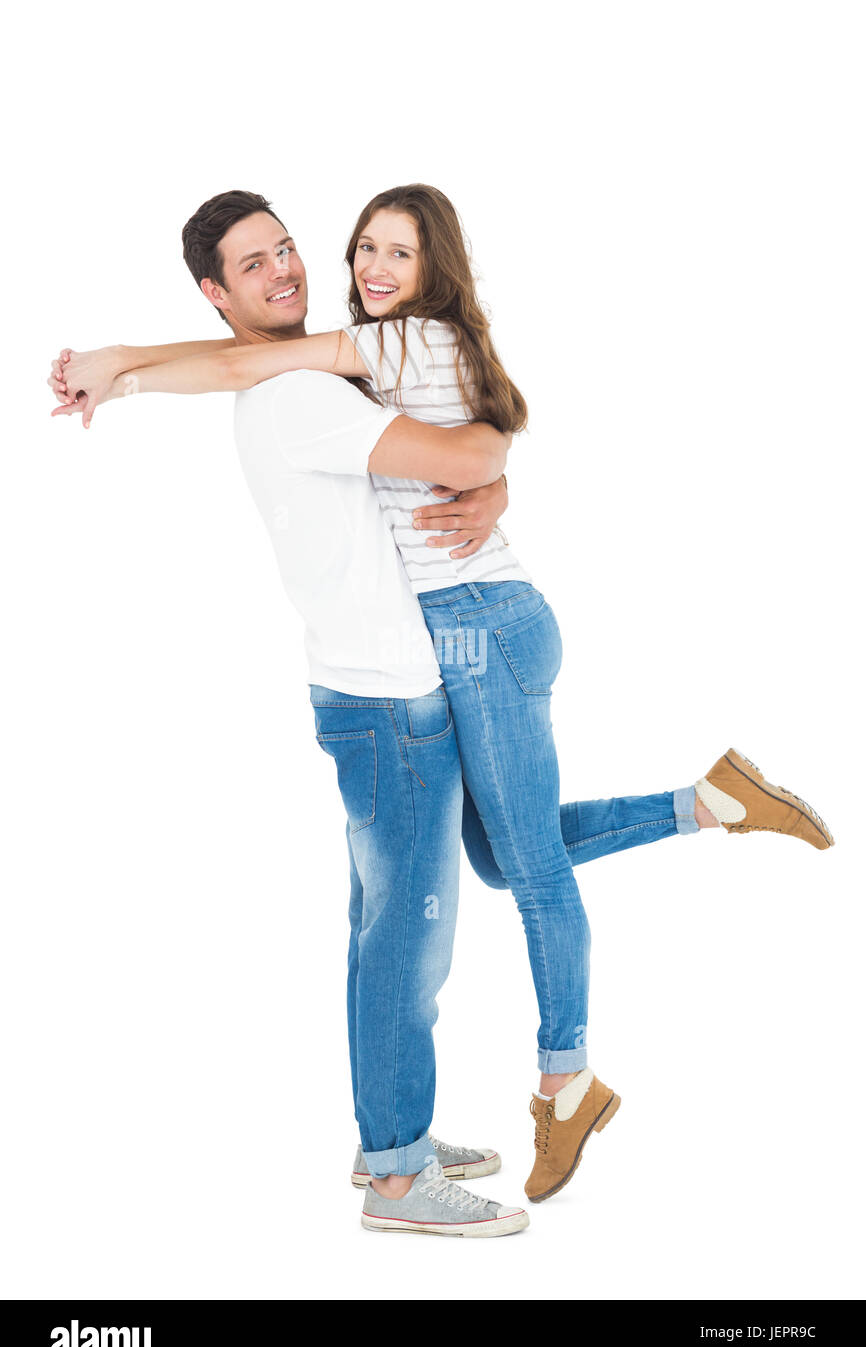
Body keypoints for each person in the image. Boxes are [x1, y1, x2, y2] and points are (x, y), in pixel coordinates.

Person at [49, 187, 834, 1224]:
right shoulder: (310, 380)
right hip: (423, 657)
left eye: (297, 248)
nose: (307, 267)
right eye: (268, 261)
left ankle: (559, 1084)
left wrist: (122, 366)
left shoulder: (370, 353)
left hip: (471, 628)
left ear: (434, 267)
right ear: (215, 290)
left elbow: (470, 444)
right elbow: (442, 428)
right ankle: (705, 806)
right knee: (484, 876)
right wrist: (126, 368)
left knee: (503, 878)